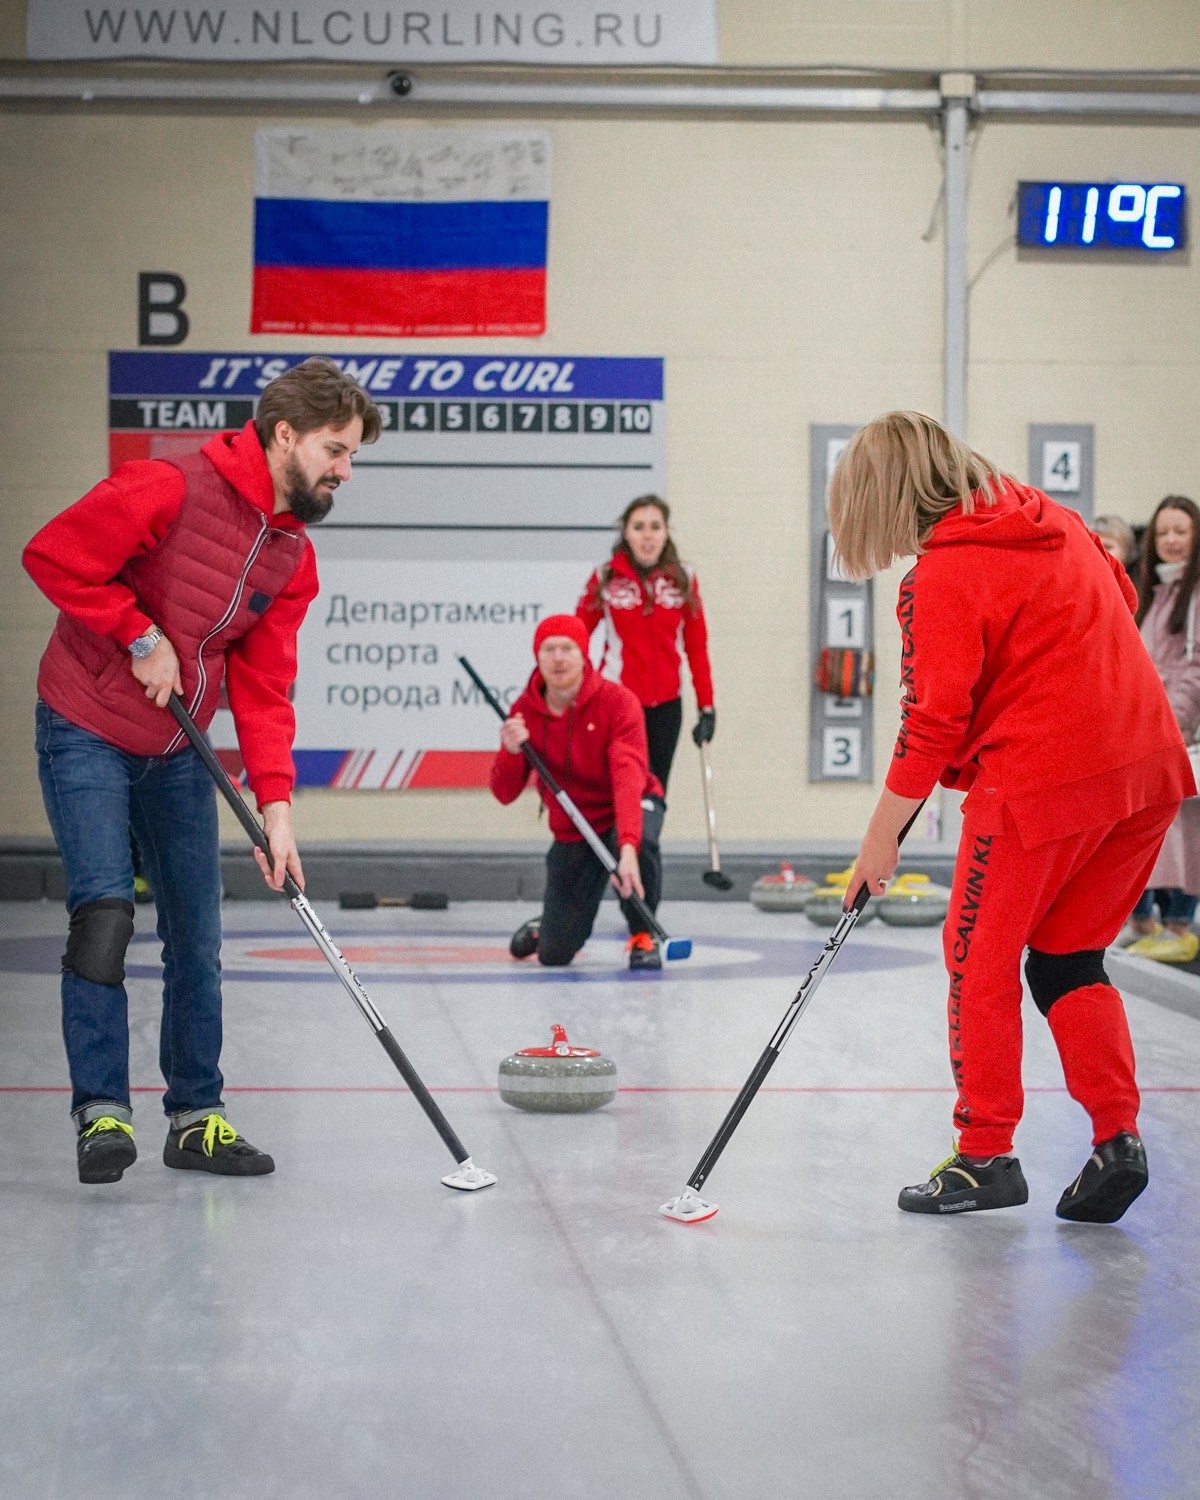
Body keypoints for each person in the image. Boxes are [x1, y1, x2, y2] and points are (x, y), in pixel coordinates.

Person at [24, 357, 381, 1184]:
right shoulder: (169, 487)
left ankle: (196, 1117)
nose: (344, 471)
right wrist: (139, 635)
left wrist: (278, 808)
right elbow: (52, 556)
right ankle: (101, 1112)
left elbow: (263, 690)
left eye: (353, 455)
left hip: (178, 749)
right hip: (85, 725)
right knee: (106, 915)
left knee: (198, 934)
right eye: (335, 450)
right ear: (284, 435)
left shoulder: (292, 556)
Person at [831, 411, 1192, 1224]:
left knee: (976, 958)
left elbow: (932, 721)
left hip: (1040, 784)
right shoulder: (1052, 521)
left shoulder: (944, 574)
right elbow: (1120, 597)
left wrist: (878, 838)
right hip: (1146, 773)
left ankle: (984, 1155)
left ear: (887, 494)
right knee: (1067, 958)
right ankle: (1117, 1142)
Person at [490, 614, 666, 970]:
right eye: (549, 649)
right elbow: (504, 793)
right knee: (554, 955)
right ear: (537, 657)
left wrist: (627, 845)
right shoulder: (524, 711)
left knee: (641, 843)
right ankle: (546, 927)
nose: (558, 658)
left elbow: (628, 775)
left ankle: (642, 934)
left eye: (567, 648)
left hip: (629, 805)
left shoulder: (618, 702)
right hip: (574, 824)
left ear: (584, 654)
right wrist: (510, 753)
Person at [576, 496, 714, 792]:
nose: (647, 535)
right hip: (618, 701)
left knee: (655, 790)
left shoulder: (683, 579)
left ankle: (648, 841)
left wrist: (706, 707)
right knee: (624, 786)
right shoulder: (606, 578)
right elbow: (576, 638)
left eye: (655, 526)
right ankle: (622, 840)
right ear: (626, 533)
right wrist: (583, 691)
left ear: (666, 533)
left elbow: (697, 648)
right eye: (639, 527)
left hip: (666, 705)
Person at [1123, 495, 1200, 963]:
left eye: (1182, 531)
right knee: (1151, 830)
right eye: (1164, 532)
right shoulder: (1153, 590)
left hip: (1174, 732)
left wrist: (1170, 719)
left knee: (1184, 833)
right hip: (1148, 730)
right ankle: (1147, 923)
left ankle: (1177, 926)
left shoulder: (1193, 595)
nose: (1172, 541)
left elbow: (1193, 669)